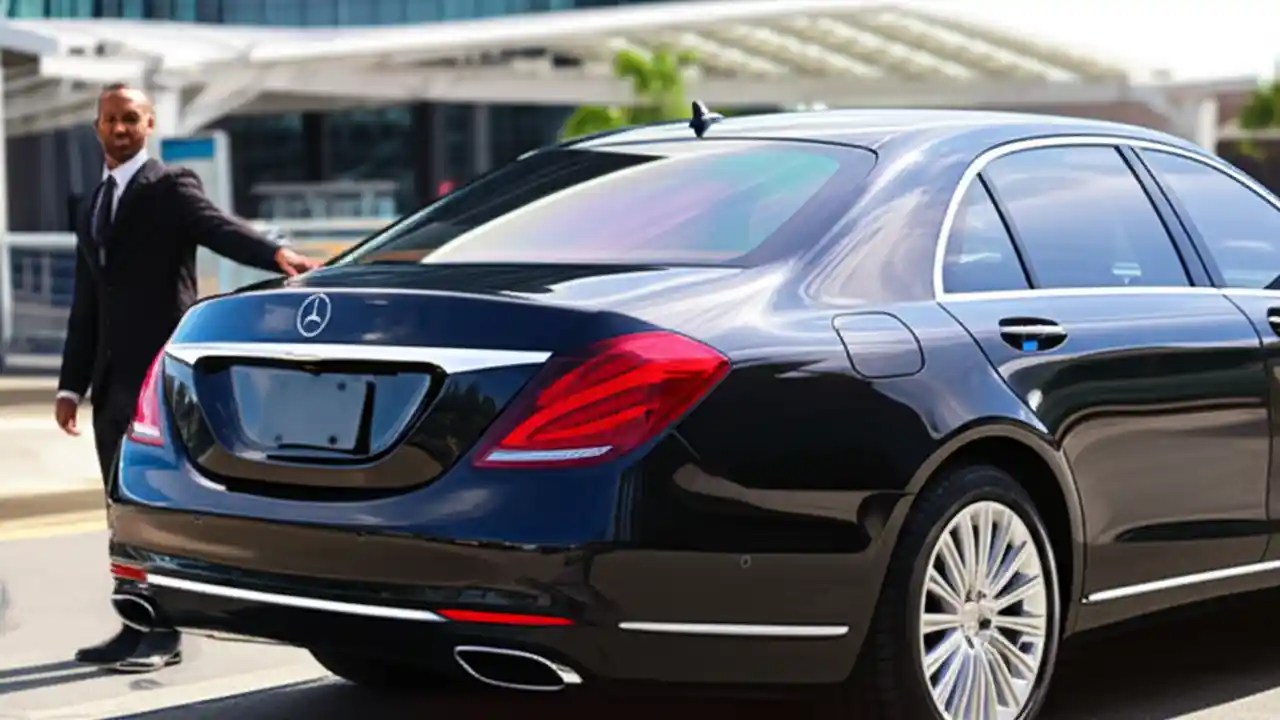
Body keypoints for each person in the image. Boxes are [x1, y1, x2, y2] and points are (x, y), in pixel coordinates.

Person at [54, 82, 320, 672]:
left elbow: (218, 227)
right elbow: (87, 302)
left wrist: (276, 254)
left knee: (156, 506)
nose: (120, 129)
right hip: (111, 380)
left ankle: (164, 634)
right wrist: (71, 385)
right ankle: (134, 622)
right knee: (120, 508)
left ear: (148, 125)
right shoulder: (94, 202)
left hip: (159, 374)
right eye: (110, 120)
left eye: (131, 119)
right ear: (96, 127)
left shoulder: (169, 187)